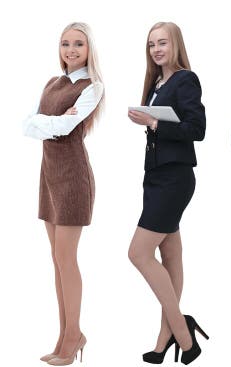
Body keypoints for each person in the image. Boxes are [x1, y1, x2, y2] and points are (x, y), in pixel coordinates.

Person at [22, 22, 104, 366]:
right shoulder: (52, 83)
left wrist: (46, 121)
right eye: (65, 44)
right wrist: (47, 121)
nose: (71, 50)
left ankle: (74, 336)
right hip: (48, 177)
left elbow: (65, 127)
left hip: (72, 179)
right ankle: (64, 334)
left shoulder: (93, 86)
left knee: (67, 260)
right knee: (56, 261)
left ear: (88, 50)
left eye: (78, 45)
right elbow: (27, 124)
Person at [126, 21, 208, 365]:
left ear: (175, 45)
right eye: (151, 45)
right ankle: (164, 339)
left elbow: (197, 129)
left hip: (174, 179)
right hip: (155, 176)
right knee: (170, 255)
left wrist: (155, 123)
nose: (157, 49)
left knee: (138, 253)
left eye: (162, 43)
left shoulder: (185, 79)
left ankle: (183, 333)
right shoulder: (156, 83)